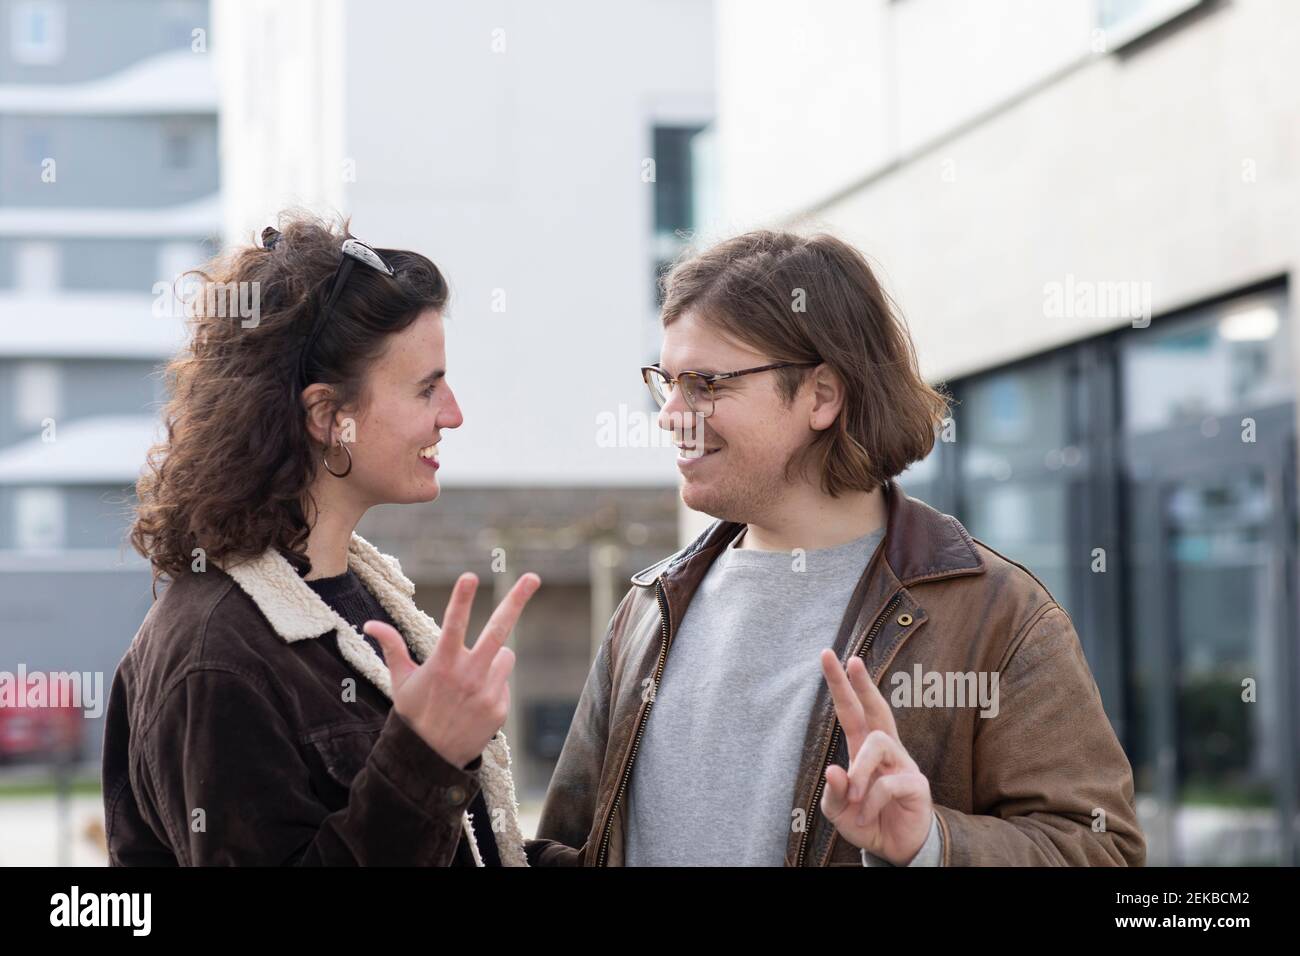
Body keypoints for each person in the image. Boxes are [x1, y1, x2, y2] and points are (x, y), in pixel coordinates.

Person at [527, 230, 1146, 866]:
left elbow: (1099, 849)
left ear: (822, 394)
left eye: (706, 383)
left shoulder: (997, 615)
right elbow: (571, 847)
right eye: (667, 381)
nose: (670, 414)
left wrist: (928, 846)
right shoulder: (650, 607)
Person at [103, 212, 538, 866]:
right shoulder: (214, 655)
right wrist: (426, 758)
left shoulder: (358, 594)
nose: (453, 413)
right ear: (330, 417)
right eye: (427, 388)